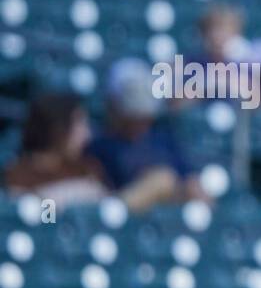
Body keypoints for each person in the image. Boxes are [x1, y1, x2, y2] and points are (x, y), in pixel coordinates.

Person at [87, 59, 206, 207]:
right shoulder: (100, 147)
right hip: (122, 215)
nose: (141, 122)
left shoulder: (163, 139)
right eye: (133, 116)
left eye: (144, 117)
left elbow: (191, 182)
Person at [5, 93, 109, 207]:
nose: (87, 135)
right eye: (78, 125)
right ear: (57, 129)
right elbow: (41, 218)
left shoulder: (86, 168)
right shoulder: (18, 174)